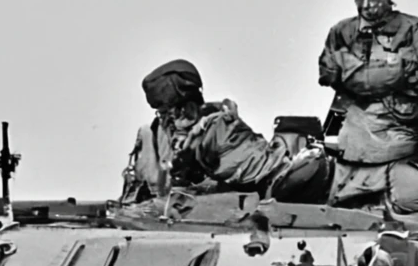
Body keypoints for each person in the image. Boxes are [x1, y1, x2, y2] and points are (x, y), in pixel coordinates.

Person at [318, 0, 418, 213]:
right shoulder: (341, 31)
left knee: (406, 204)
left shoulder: (414, 29)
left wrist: (403, 98)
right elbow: (328, 72)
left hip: (396, 130)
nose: (366, 4)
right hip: (353, 128)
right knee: (342, 203)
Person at [122, 59, 330, 204]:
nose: (175, 119)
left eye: (181, 110)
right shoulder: (152, 135)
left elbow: (264, 169)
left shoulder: (218, 127)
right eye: (166, 113)